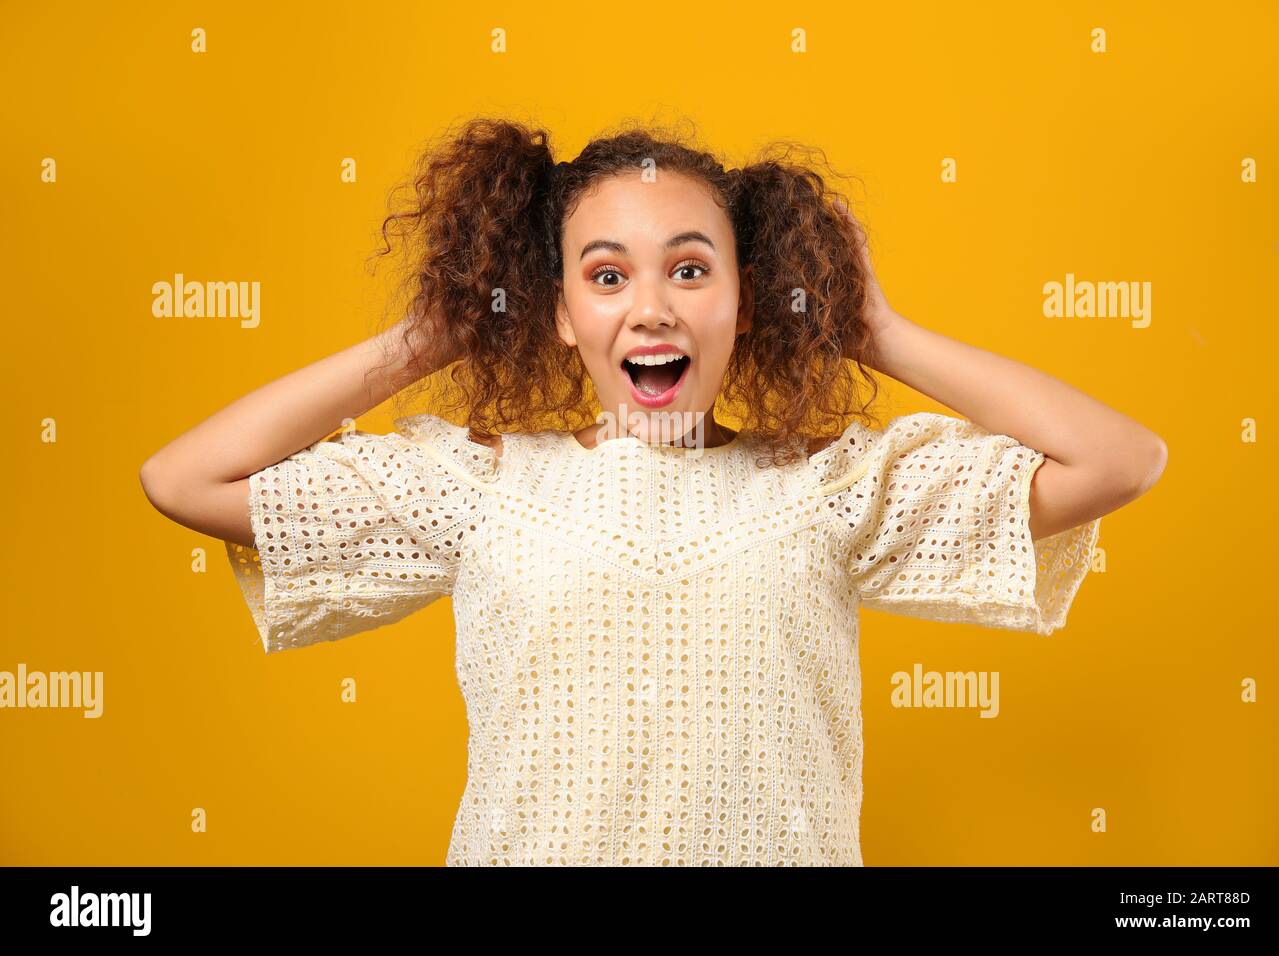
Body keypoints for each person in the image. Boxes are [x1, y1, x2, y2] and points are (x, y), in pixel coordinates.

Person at [139, 117, 1166, 866]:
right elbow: (184, 477)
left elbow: (1115, 459)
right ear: (557, 313)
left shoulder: (830, 484)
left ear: (744, 302)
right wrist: (430, 337)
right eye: (605, 275)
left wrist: (878, 333)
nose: (651, 308)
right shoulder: (479, 483)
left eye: (688, 269)